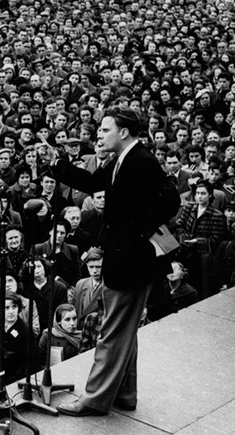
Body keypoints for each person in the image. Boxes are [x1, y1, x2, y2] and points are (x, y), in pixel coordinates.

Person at [41, 106, 180, 416]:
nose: (99, 135)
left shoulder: (141, 161)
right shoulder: (121, 159)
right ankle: (124, 394)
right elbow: (91, 182)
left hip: (131, 261)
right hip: (128, 259)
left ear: (124, 132)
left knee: (112, 330)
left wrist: (135, 234)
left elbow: (170, 201)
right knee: (125, 328)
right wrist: (56, 164)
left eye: (105, 130)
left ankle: (94, 400)